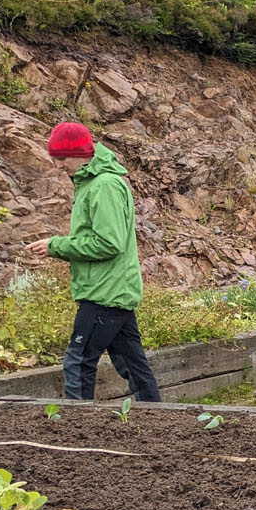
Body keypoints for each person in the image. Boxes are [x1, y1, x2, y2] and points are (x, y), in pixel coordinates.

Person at [24, 122, 161, 403]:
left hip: (104, 292)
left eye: (61, 159)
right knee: (133, 366)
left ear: (80, 154)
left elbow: (108, 243)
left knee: (78, 362)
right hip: (113, 289)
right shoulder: (94, 183)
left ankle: (79, 426)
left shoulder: (104, 186)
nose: (58, 166)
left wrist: (56, 246)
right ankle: (157, 418)